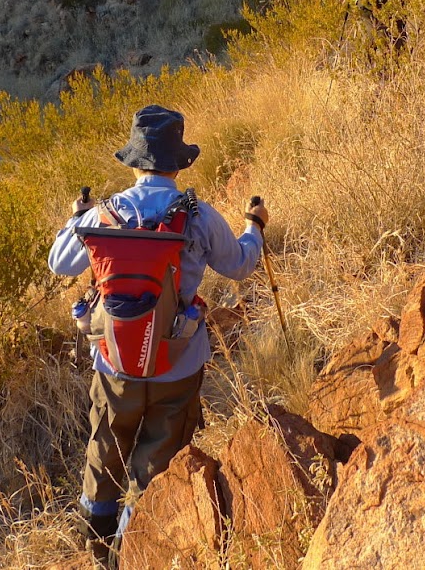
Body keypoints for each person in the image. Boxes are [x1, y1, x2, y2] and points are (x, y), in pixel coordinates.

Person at [48, 105, 268, 567]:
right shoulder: (199, 216)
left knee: (105, 450)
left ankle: (96, 551)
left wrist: (78, 218)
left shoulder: (103, 214)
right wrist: (255, 226)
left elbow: (59, 263)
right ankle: (134, 551)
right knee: (157, 465)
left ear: (132, 161)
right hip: (178, 362)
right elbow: (241, 265)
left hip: (113, 363)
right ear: (179, 162)